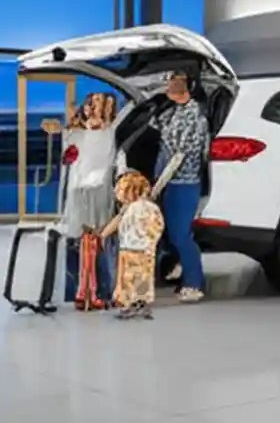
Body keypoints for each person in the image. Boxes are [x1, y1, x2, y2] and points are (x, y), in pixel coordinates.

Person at [49, 92, 124, 309]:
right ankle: (76, 293)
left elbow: (117, 158)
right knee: (76, 241)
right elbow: (68, 158)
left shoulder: (112, 133)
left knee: (100, 240)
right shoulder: (76, 133)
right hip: (77, 190)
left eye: (98, 104)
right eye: (90, 103)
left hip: (100, 191)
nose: (92, 108)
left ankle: (104, 292)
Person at [151, 70, 209, 304]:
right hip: (172, 183)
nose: (168, 87)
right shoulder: (174, 112)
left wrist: (158, 184)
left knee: (181, 235)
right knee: (171, 233)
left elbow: (179, 155)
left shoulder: (194, 117)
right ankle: (181, 269)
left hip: (184, 182)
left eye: (173, 83)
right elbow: (158, 128)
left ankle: (195, 283)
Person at [100, 170, 164, 320]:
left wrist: (103, 234)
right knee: (144, 277)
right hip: (147, 249)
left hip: (129, 248)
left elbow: (117, 222)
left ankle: (127, 305)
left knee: (126, 278)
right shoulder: (152, 208)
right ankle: (143, 303)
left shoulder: (129, 208)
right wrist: (152, 240)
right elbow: (158, 225)